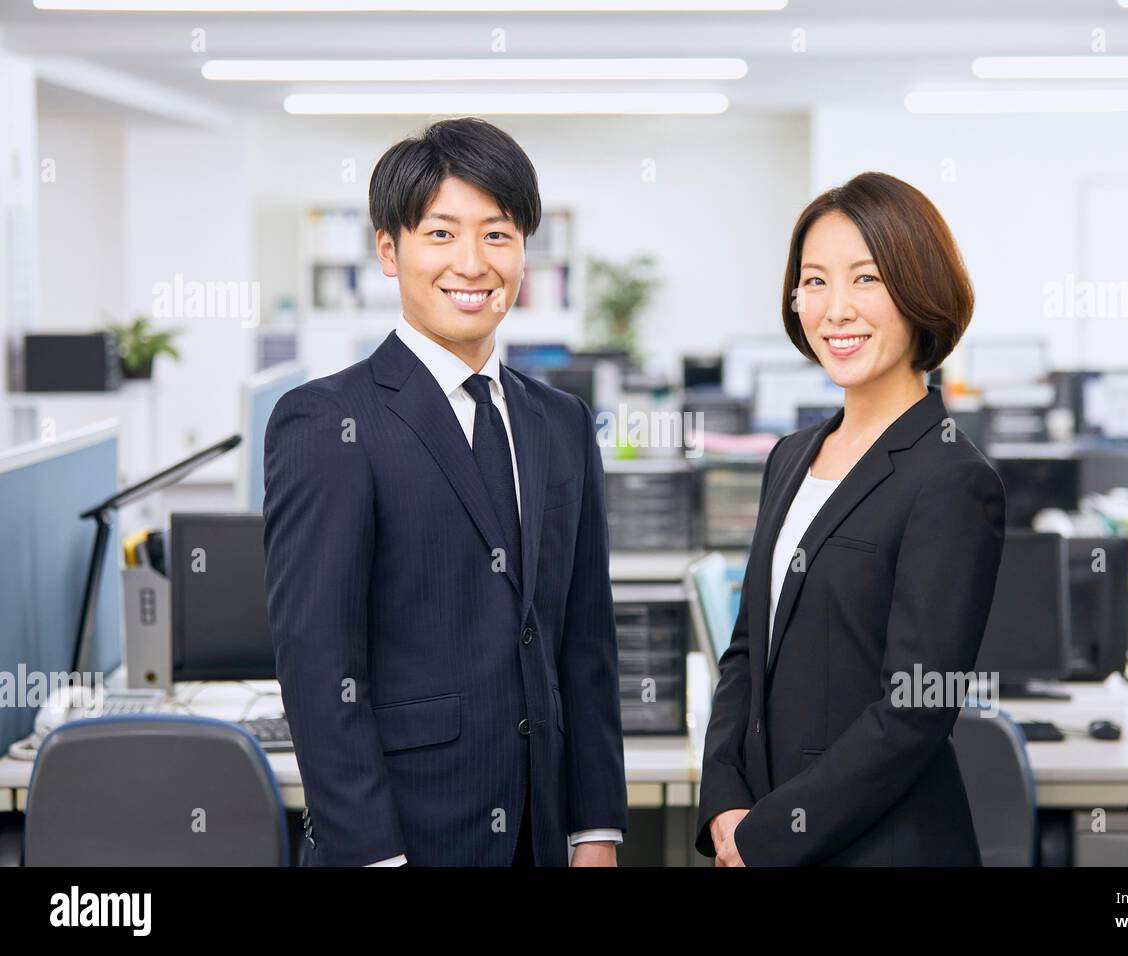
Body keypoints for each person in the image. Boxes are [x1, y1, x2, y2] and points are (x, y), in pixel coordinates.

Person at [263, 118, 627, 867]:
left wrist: (595, 830)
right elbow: (318, 664)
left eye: (497, 235)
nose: (472, 262)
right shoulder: (327, 420)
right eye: (440, 234)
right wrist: (374, 857)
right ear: (388, 250)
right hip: (405, 839)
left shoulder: (561, 422)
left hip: (540, 835)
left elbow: (585, 642)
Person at [696, 172, 1006, 866]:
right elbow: (746, 649)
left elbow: (915, 710)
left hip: (880, 848)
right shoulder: (791, 455)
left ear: (920, 289)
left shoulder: (952, 478)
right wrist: (723, 799)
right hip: (758, 833)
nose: (835, 310)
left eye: (866, 279)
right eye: (814, 281)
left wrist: (768, 835)